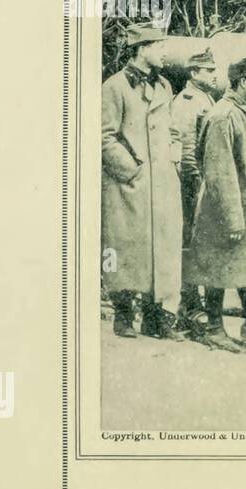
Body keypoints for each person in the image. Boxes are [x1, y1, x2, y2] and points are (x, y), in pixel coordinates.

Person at [101, 22, 186, 341]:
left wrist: (172, 160)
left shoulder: (164, 85)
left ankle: (155, 319)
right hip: (129, 186)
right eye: (159, 46)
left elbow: (172, 129)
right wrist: (131, 170)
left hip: (162, 183)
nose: (165, 52)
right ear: (142, 50)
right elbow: (104, 136)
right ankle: (123, 315)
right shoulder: (115, 86)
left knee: (161, 250)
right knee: (126, 248)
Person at [187, 53, 246, 352]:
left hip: (245, 206)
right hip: (223, 208)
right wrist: (233, 218)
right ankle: (214, 327)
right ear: (241, 81)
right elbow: (220, 173)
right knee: (218, 267)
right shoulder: (223, 116)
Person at [172, 48, 221, 329]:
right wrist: (195, 180)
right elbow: (186, 147)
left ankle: (192, 302)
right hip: (192, 182)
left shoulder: (204, 98)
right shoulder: (188, 101)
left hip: (199, 181)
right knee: (190, 242)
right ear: (194, 74)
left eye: (214, 70)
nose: (214, 75)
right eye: (209, 71)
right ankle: (189, 304)